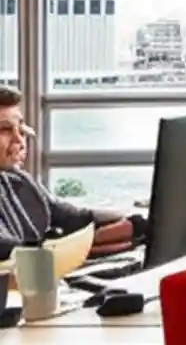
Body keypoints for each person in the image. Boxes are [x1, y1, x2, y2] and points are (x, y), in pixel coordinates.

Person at [0, 86, 141, 260]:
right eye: (4, 130)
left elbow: (72, 217)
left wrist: (131, 216)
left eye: (20, 128)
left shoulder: (16, 178)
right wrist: (95, 244)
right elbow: (13, 253)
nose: (20, 140)